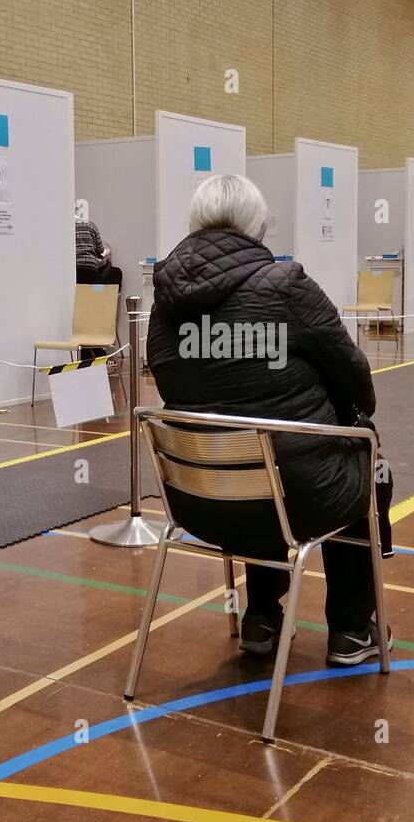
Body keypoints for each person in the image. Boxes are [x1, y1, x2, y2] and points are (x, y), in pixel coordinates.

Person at [147, 174, 394, 667]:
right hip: (295, 499)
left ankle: (261, 617)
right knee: (363, 461)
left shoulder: (162, 303)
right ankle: (349, 629)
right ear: (258, 226)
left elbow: (175, 386)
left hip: (198, 504)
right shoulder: (287, 285)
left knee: (256, 450)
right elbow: (357, 382)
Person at [75, 216, 123, 287]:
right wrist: (106, 253)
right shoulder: (91, 226)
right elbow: (100, 252)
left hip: (74, 269)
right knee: (113, 269)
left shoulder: (68, 227)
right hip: (90, 267)